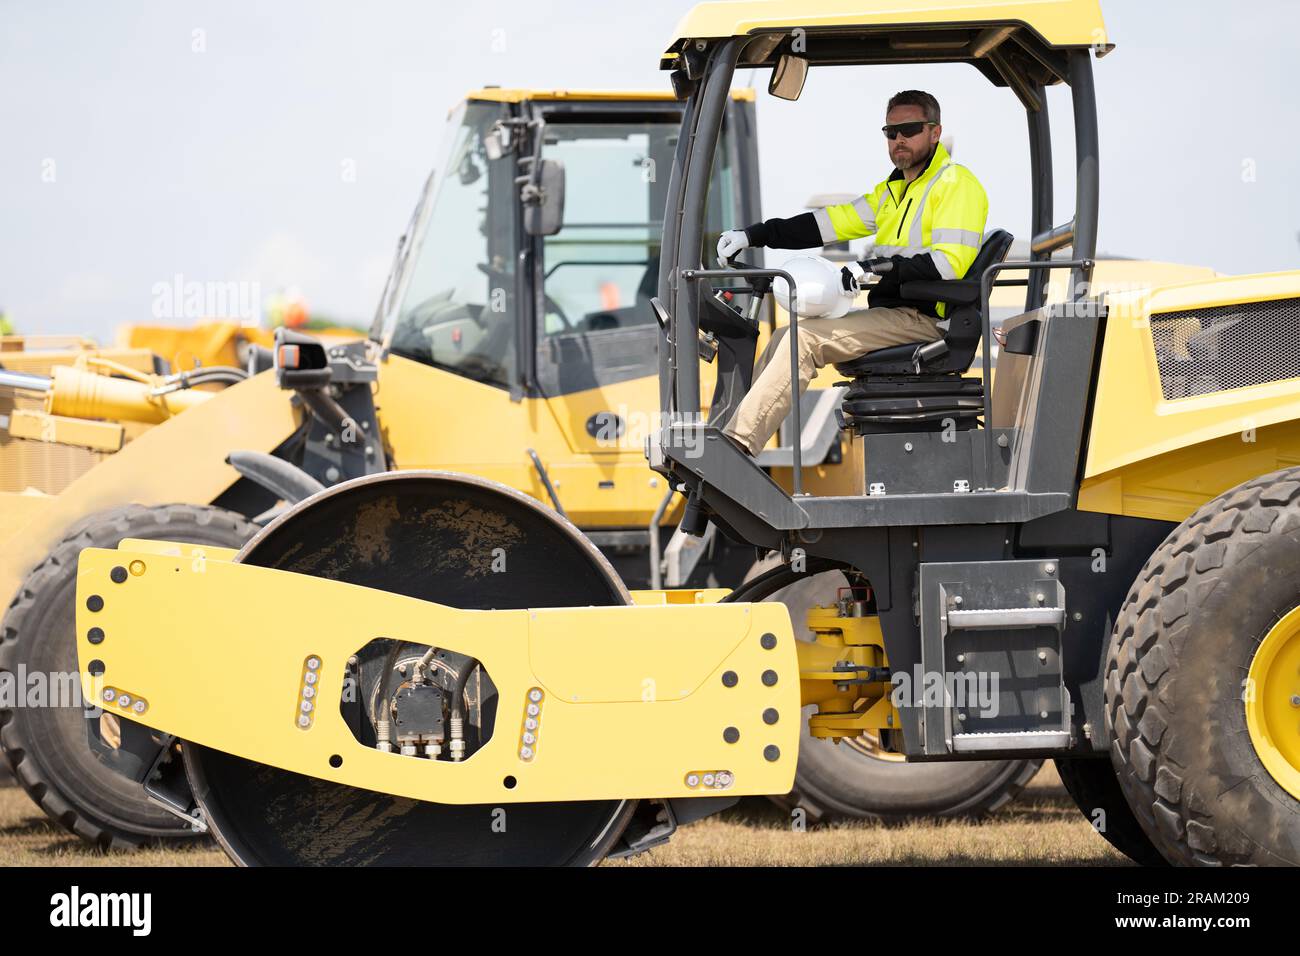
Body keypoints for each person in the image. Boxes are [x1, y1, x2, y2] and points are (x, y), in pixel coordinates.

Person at [716, 90, 989, 456]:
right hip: (894, 314)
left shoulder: (955, 185)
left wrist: (873, 269)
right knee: (786, 335)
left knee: (804, 340)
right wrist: (755, 233)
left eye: (909, 129)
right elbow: (827, 224)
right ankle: (733, 435)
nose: (899, 140)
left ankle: (735, 448)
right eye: (890, 132)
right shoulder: (894, 191)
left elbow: (948, 264)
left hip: (926, 319)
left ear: (935, 132)